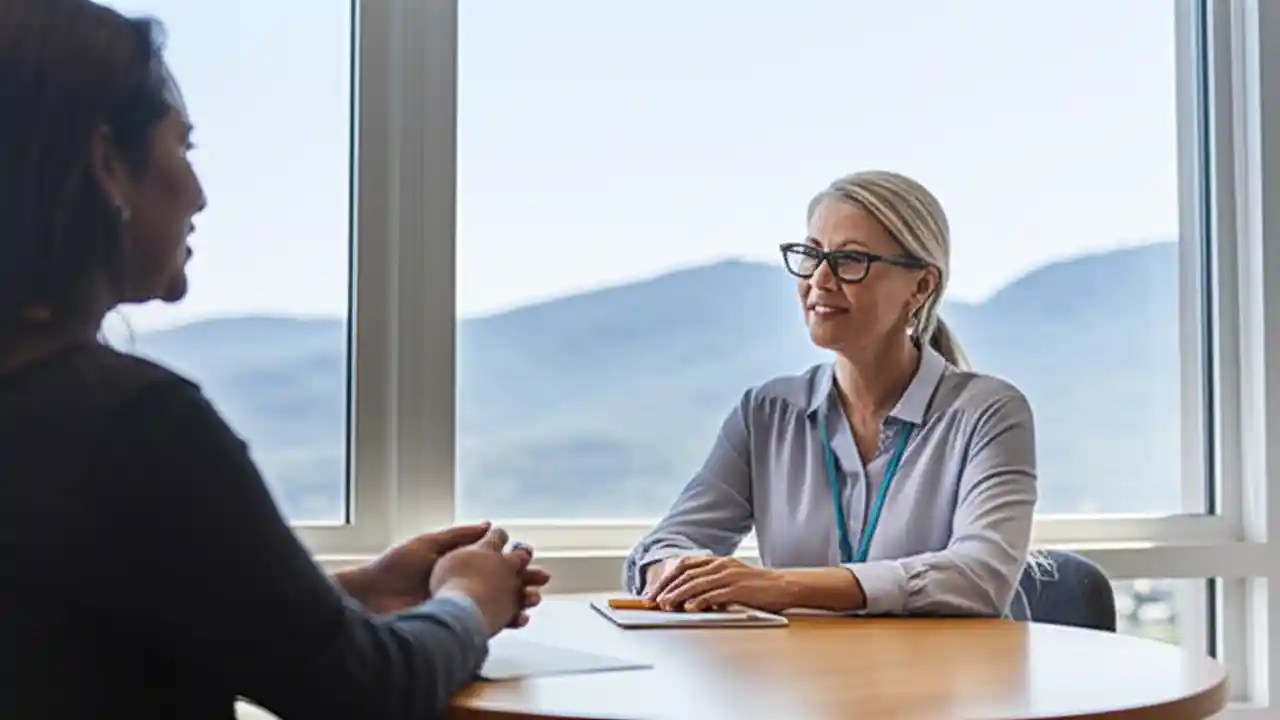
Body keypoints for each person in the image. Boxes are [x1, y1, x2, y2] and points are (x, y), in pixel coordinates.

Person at [0, 1, 548, 718]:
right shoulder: (131, 426)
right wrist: (471, 600)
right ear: (109, 163)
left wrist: (357, 594)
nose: (199, 194)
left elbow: (80, 636)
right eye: (183, 149)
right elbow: (365, 691)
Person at [624, 170, 1038, 618]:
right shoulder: (765, 414)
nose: (819, 279)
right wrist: (680, 570)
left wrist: (779, 586)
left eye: (850, 260)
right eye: (811, 255)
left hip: (943, 682)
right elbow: (662, 546)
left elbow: (979, 576)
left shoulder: (988, 414)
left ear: (921, 286)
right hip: (803, 682)